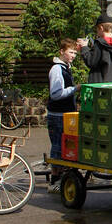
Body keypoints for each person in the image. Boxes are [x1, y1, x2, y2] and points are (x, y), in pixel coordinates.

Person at [46, 39, 80, 192]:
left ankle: (61, 177)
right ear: (62, 51)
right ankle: (54, 181)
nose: (73, 55)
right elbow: (56, 93)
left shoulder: (66, 67)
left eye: (74, 53)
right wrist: (74, 89)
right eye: (70, 52)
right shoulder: (57, 69)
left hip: (65, 114)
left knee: (65, 146)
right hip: (57, 114)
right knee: (58, 147)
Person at [78, 14, 112, 84]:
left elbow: (91, 62)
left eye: (97, 29)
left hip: (100, 85)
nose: (97, 31)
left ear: (101, 28)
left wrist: (84, 47)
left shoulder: (100, 43)